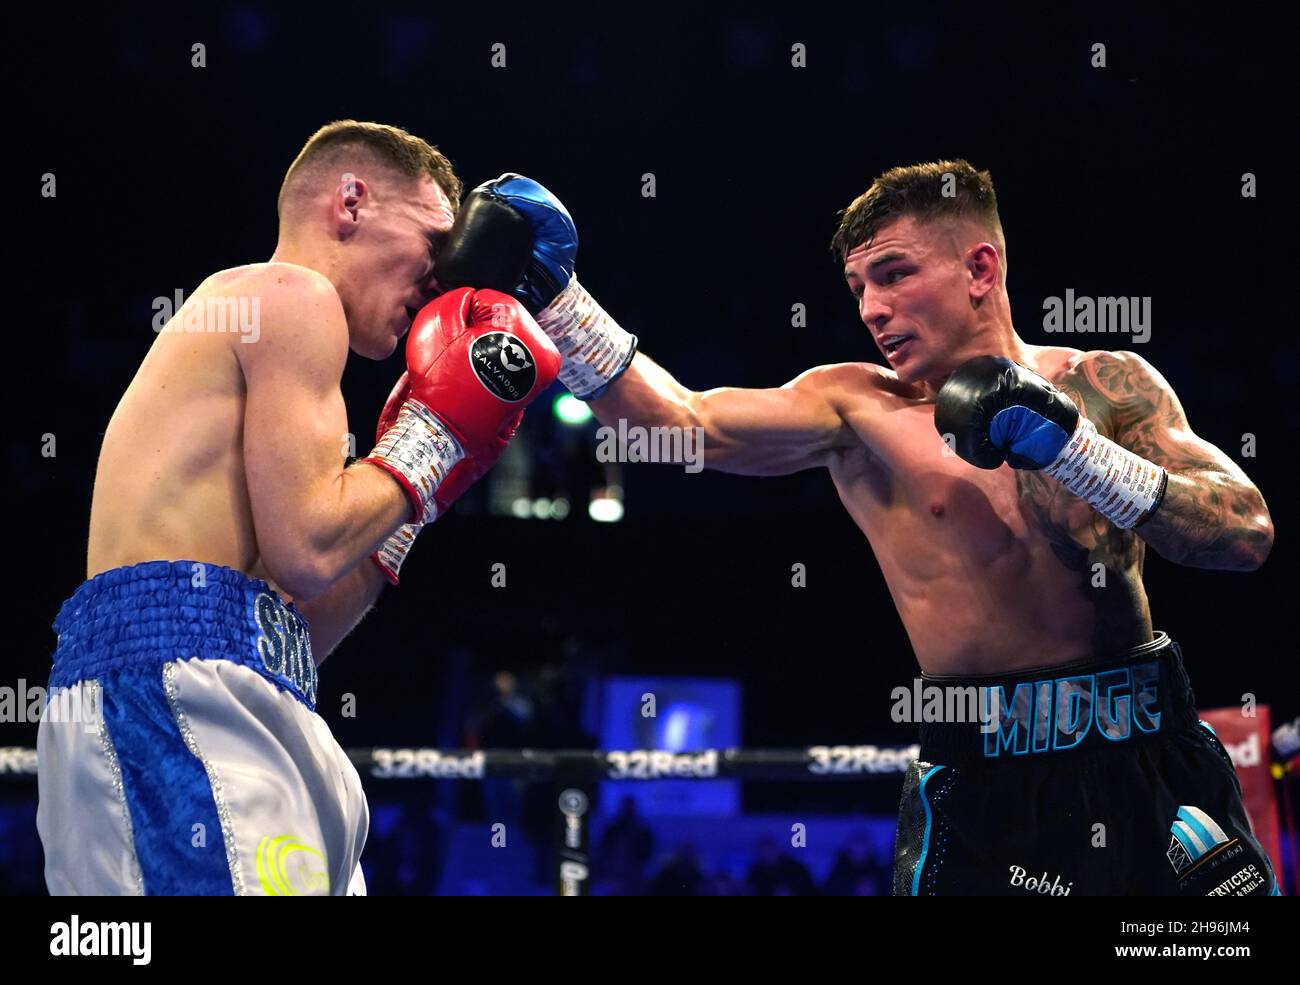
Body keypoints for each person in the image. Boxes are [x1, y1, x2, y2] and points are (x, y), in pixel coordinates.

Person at [436, 161, 1278, 895]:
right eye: (860, 289)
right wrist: (560, 300)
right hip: (985, 784)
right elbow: (678, 424)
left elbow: (1245, 533)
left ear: (981, 266)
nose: (873, 308)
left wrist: (1074, 449)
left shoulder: (1105, 381)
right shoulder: (857, 408)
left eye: (896, 274)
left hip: (1151, 757)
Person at [37, 120, 558, 895]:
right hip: (170, 706)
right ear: (352, 202)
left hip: (214, 698)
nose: (441, 281)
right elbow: (308, 551)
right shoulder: (290, 295)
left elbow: (290, 632)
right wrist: (433, 435)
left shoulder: (281, 356)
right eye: (433, 241)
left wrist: (420, 489)